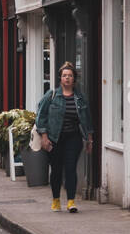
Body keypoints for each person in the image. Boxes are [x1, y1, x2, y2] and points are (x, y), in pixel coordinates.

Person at [33, 61, 94, 213]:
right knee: (56, 170)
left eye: (70, 76)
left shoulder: (80, 98)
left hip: (73, 137)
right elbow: (41, 117)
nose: (67, 78)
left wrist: (89, 139)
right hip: (55, 138)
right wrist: (45, 137)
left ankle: (71, 201)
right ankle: (55, 200)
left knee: (71, 168)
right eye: (64, 75)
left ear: (74, 79)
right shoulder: (51, 95)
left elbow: (87, 119)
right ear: (60, 78)